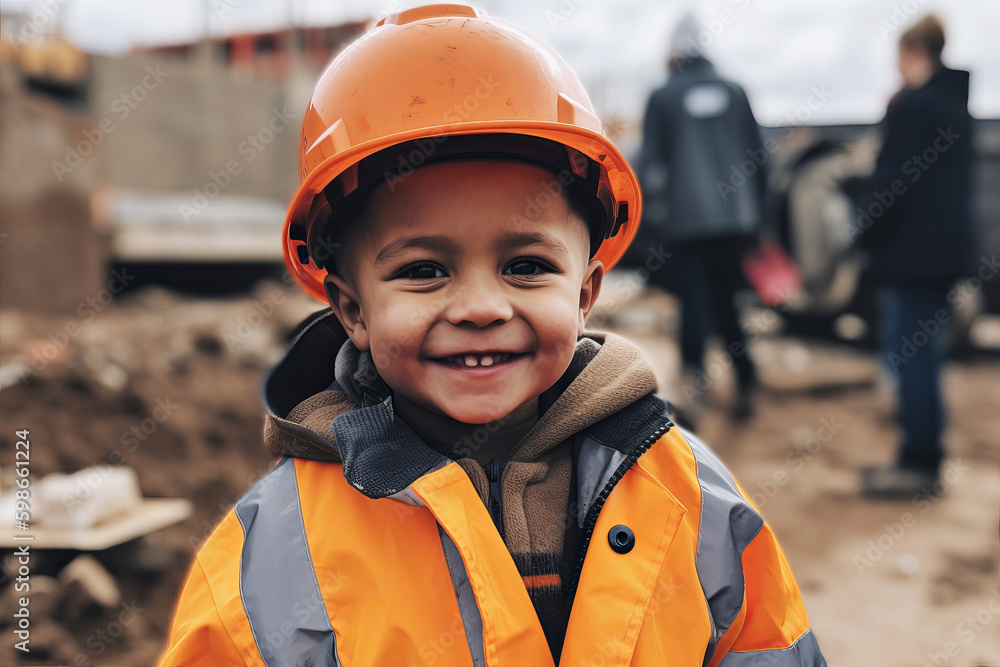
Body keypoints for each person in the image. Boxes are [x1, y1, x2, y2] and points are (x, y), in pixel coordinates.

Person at [157, 5, 825, 665]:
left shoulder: (686, 493)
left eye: (526, 266)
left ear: (586, 293)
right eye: (424, 270)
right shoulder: (276, 549)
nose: (481, 306)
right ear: (351, 309)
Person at [856, 15, 976, 498]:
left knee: (913, 359)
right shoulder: (955, 106)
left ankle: (918, 465)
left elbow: (890, 187)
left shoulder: (914, 108)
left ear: (913, 54)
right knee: (927, 356)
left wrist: (863, 233)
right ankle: (922, 457)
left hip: (913, 258)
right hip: (945, 255)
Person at [638, 12, 768, 424]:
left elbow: (651, 167)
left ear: (673, 54)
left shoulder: (663, 98)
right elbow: (759, 159)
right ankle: (746, 381)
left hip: (685, 225)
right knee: (728, 304)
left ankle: (694, 391)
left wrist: (653, 225)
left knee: (693, 307)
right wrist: (757, 217)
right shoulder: (735, 91)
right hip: (735, 223)